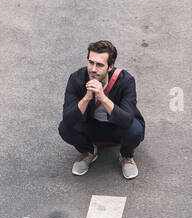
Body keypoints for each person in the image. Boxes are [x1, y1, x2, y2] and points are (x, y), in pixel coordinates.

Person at [58, 41, 145, 180]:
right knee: (64, 128)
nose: (93, 69)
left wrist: (102, 97)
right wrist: (87, 97)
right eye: (91, 62)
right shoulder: (76, 79)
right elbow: (68, 119)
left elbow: (127, 119)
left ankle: (126, 156)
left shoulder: (126, 81)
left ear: (110, 66)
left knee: (135, 130)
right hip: (91, 126)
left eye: (99, 65)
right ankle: (88, 152)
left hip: (117, 126)